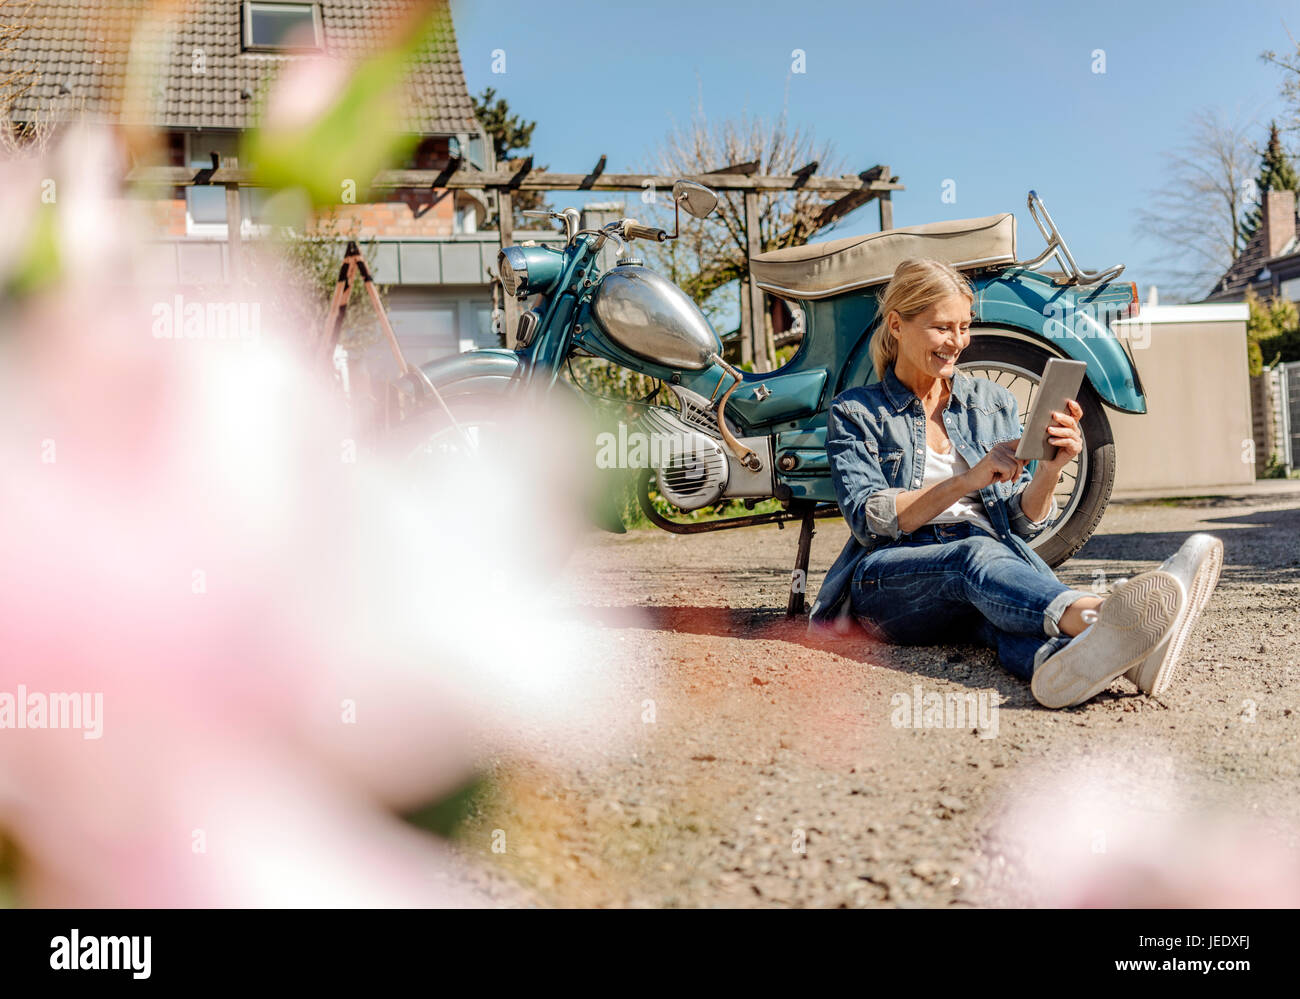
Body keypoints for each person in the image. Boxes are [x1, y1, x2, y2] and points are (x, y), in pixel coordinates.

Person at [808, 257, 1222, 708]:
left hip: (984, 570)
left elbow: (1018, 523)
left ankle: (1066, 662)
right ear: (896, 325)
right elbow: (871, 521)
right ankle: (1106, 615)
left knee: (999, 618)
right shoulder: (856, 412)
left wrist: (1051, 469)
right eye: (942, 328)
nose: (958, 342)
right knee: (972, 553)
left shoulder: (991, 402)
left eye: (965, 326)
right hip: (891, 580)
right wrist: (969, 479)